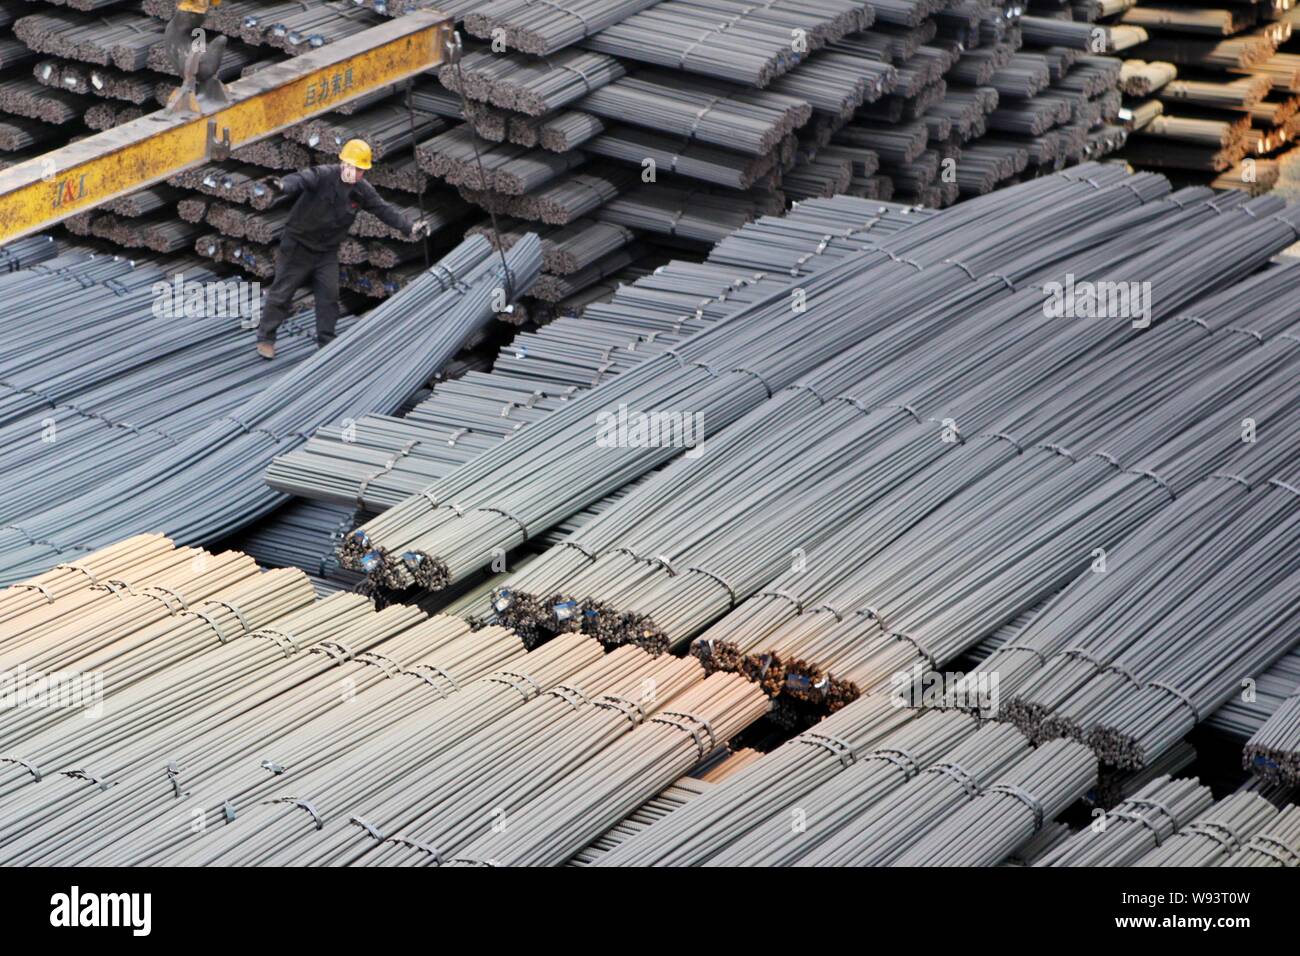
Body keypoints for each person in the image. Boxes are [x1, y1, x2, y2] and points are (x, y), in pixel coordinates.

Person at [255, 139, 430, 358]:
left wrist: (410, 227)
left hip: (326, 251)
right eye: (354, 168)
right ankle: (266, 339)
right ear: (343, 163)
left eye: (361, 170)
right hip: (298, 246)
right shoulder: (324, 175)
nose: (357, 173)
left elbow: (384, 210)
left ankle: (326, 343)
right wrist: (282, 186)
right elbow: (301, 179)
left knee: (329, 296)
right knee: (282, 292)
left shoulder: (362, 190)